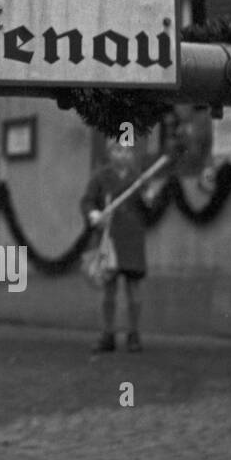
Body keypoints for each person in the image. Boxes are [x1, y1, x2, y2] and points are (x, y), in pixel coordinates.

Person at [81, 141, 155, 353]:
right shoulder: (100, 177)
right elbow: (87, 201)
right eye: (118, 150)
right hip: (109, 239)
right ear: (110, 152)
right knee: (109, 289)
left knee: (133, 289)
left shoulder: (139, 178)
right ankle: (108, 334)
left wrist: (148, 198)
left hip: (132, 237)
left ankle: (134, 334)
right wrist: (93, 214)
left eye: (127, 150)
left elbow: (147, 207)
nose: (123, 155)